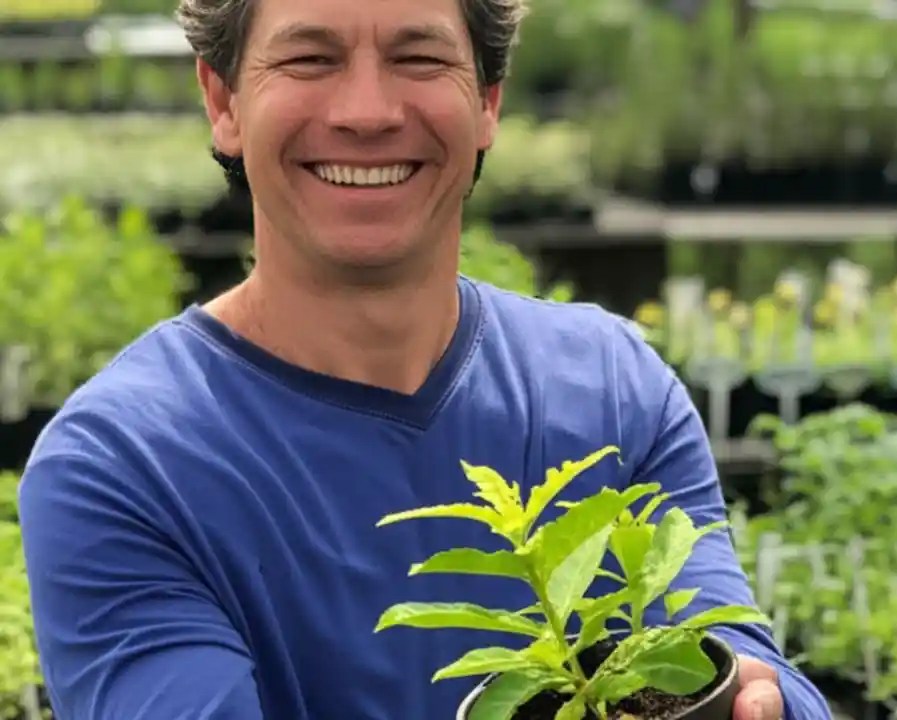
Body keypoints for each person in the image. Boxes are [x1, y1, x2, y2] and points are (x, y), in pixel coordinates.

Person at [17, 0, 835, 718]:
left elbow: (735, 653)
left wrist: (761, 703)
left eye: (419, 58)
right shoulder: (124, 465)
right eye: (310, 58)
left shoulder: (613, 391)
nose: (368, 111)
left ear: (486, 101)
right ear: (223, 100)